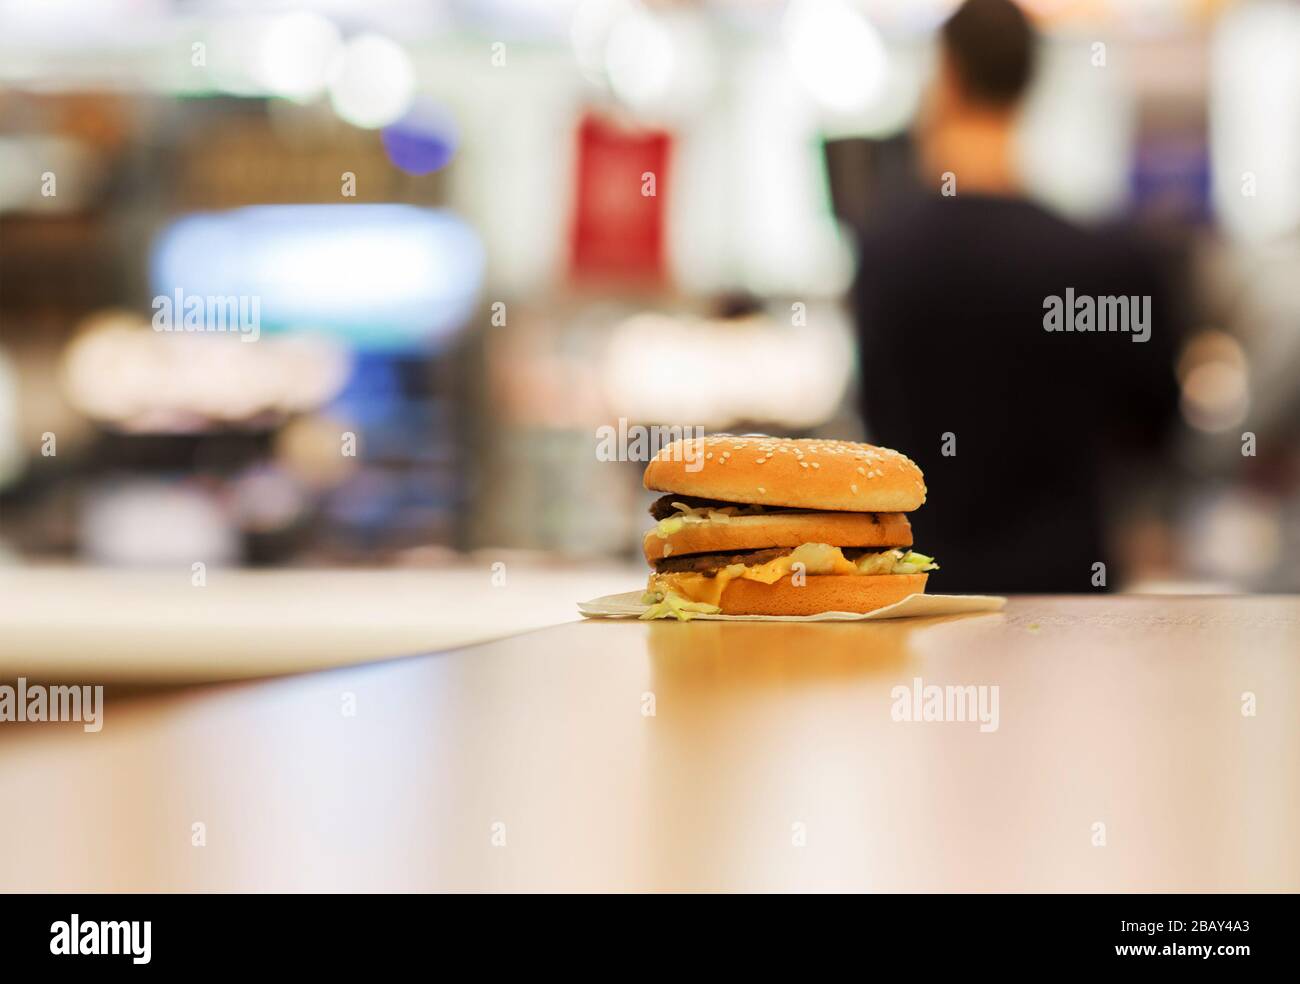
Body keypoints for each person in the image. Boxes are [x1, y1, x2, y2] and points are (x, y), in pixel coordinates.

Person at [852, 0, 1181, 593]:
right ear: (1031, 82)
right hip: (1072, 598)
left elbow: (875, 424)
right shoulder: (1106, 260)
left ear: (946, 76)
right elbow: (1157, 432)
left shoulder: (885, 254)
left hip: (924, 597)